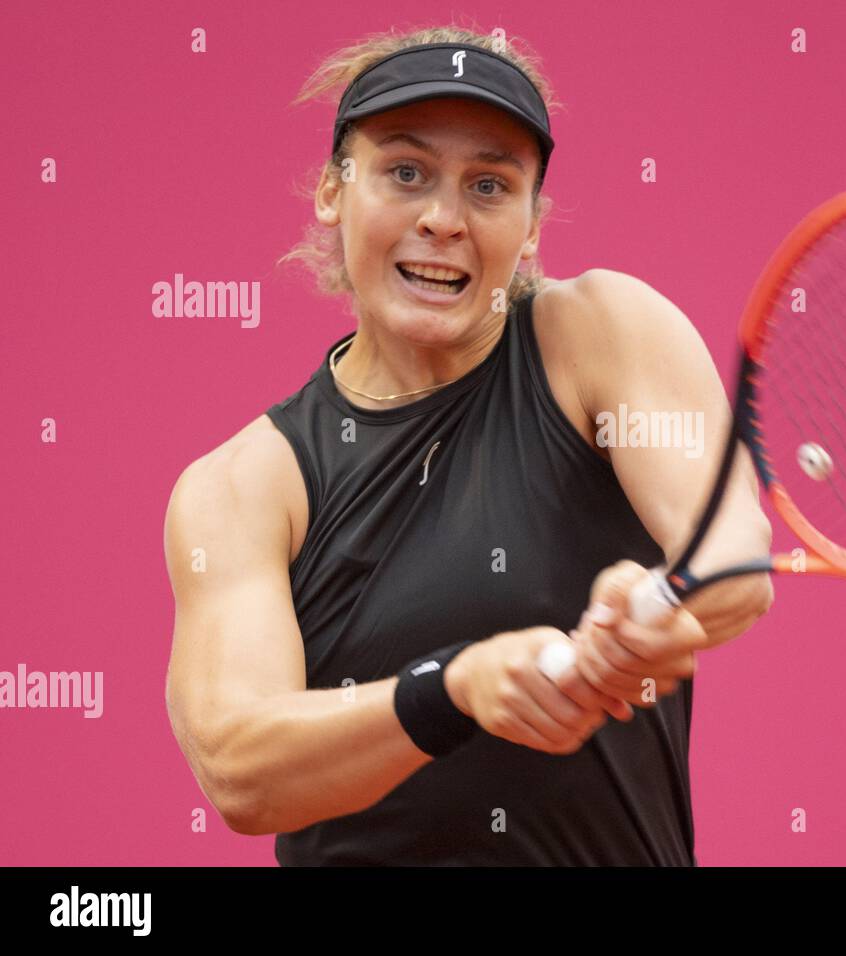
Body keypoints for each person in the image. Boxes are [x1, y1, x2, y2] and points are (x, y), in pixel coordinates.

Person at [162, 25, 772, 866]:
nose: (443, 220)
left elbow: (731, 553)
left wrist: (660, 605)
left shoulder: (595, 332)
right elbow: (240, 768)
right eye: (405, 173)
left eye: (489, 185)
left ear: (529, 227)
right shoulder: (242, 487)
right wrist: (455, 690)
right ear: (334, 191)